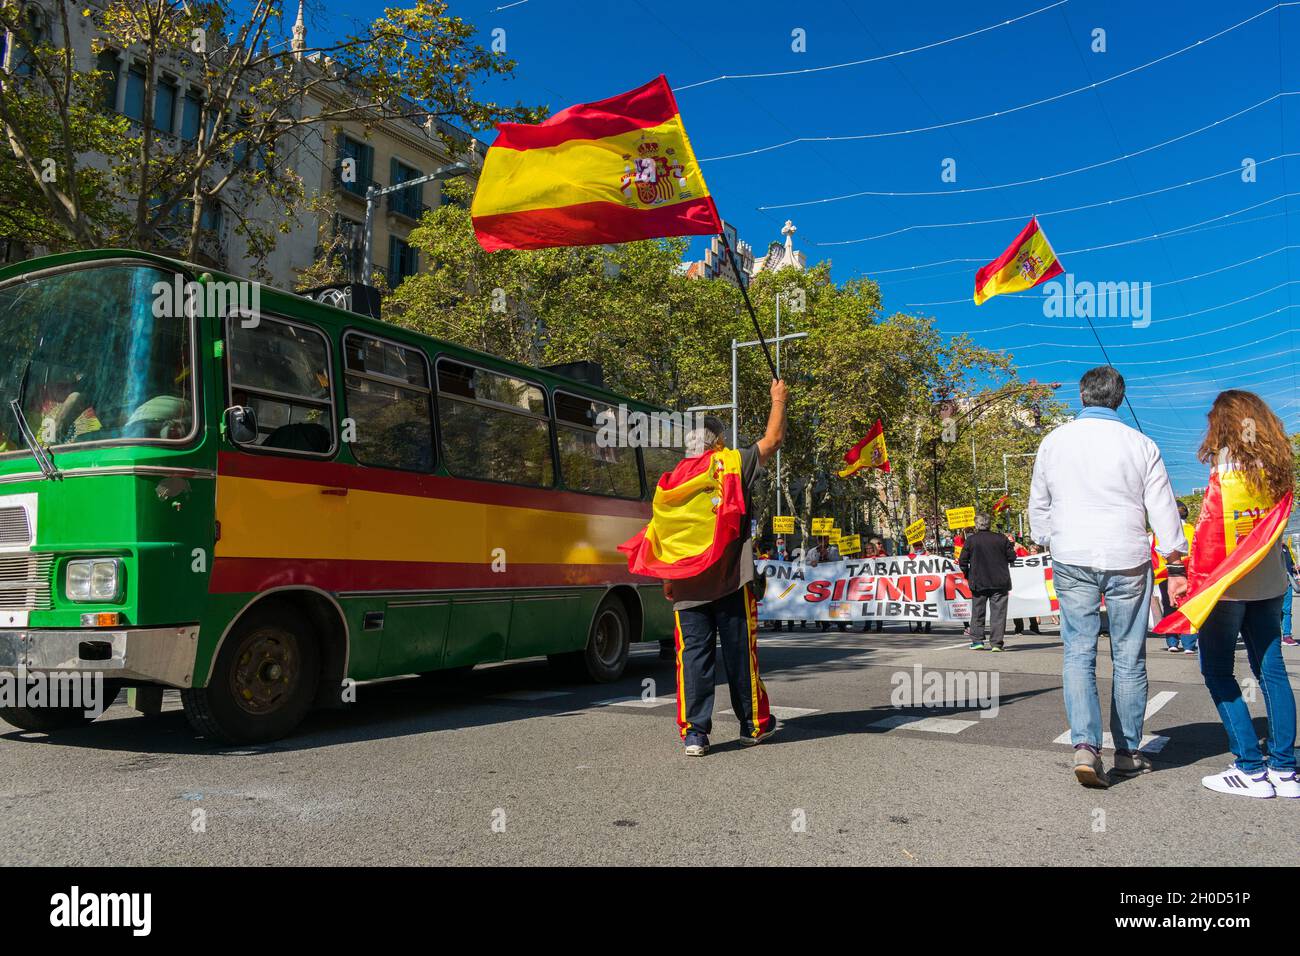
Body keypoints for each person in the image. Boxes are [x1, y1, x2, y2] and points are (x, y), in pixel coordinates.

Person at [1029, 366, 1187, 788]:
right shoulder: (1142, 444)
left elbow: (1038, 505)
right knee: (1129, 657)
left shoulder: (1054, 441)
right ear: (1119, 398)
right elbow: (1164, 510)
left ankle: (1085, 746)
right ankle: (1128, 752)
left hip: (1072, 555)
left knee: (1078, 653)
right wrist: (1175, 564)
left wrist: (1050, 538)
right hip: (1128, 557)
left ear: (1081, 397)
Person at [1182, 391, 1298, 798]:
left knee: (1217, 671)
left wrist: (1192, 577)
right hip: (1269, 584)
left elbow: (1212, 531)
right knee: (1272, 672)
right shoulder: (1278, 466)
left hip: (1227, 586)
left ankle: (1249, 766)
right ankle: (1285, 767)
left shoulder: (1225, 466)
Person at [664, 380, 787, 757]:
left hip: (686, 585)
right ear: (718, 442)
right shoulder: (731, 465)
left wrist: (668, 579)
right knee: (739, 655)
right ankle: (752, 725)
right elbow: (773, 440)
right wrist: (778, 400)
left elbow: (664, 532)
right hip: (732, 581)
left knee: (694, 659)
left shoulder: (672, 480)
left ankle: (695, 734)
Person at [960, 514, 1016, 651]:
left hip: (978, 582)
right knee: (998, 614)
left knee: (978, 612)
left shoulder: (971, 540)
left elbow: (962, 561)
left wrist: (968, 574)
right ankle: (996, 643)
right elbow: (1012, 557)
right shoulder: (1001, 538)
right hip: (999, 582)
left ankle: (977, 641)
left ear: (976, 524)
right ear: (989, 524)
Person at [1162, 502, 1198, 654]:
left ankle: (1172, 642)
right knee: (1189, 608)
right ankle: (1189, 644)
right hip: (1190, 572)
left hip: (1165, 574)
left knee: (1170, 607)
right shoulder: (1195, 530)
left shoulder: (1162, 532)